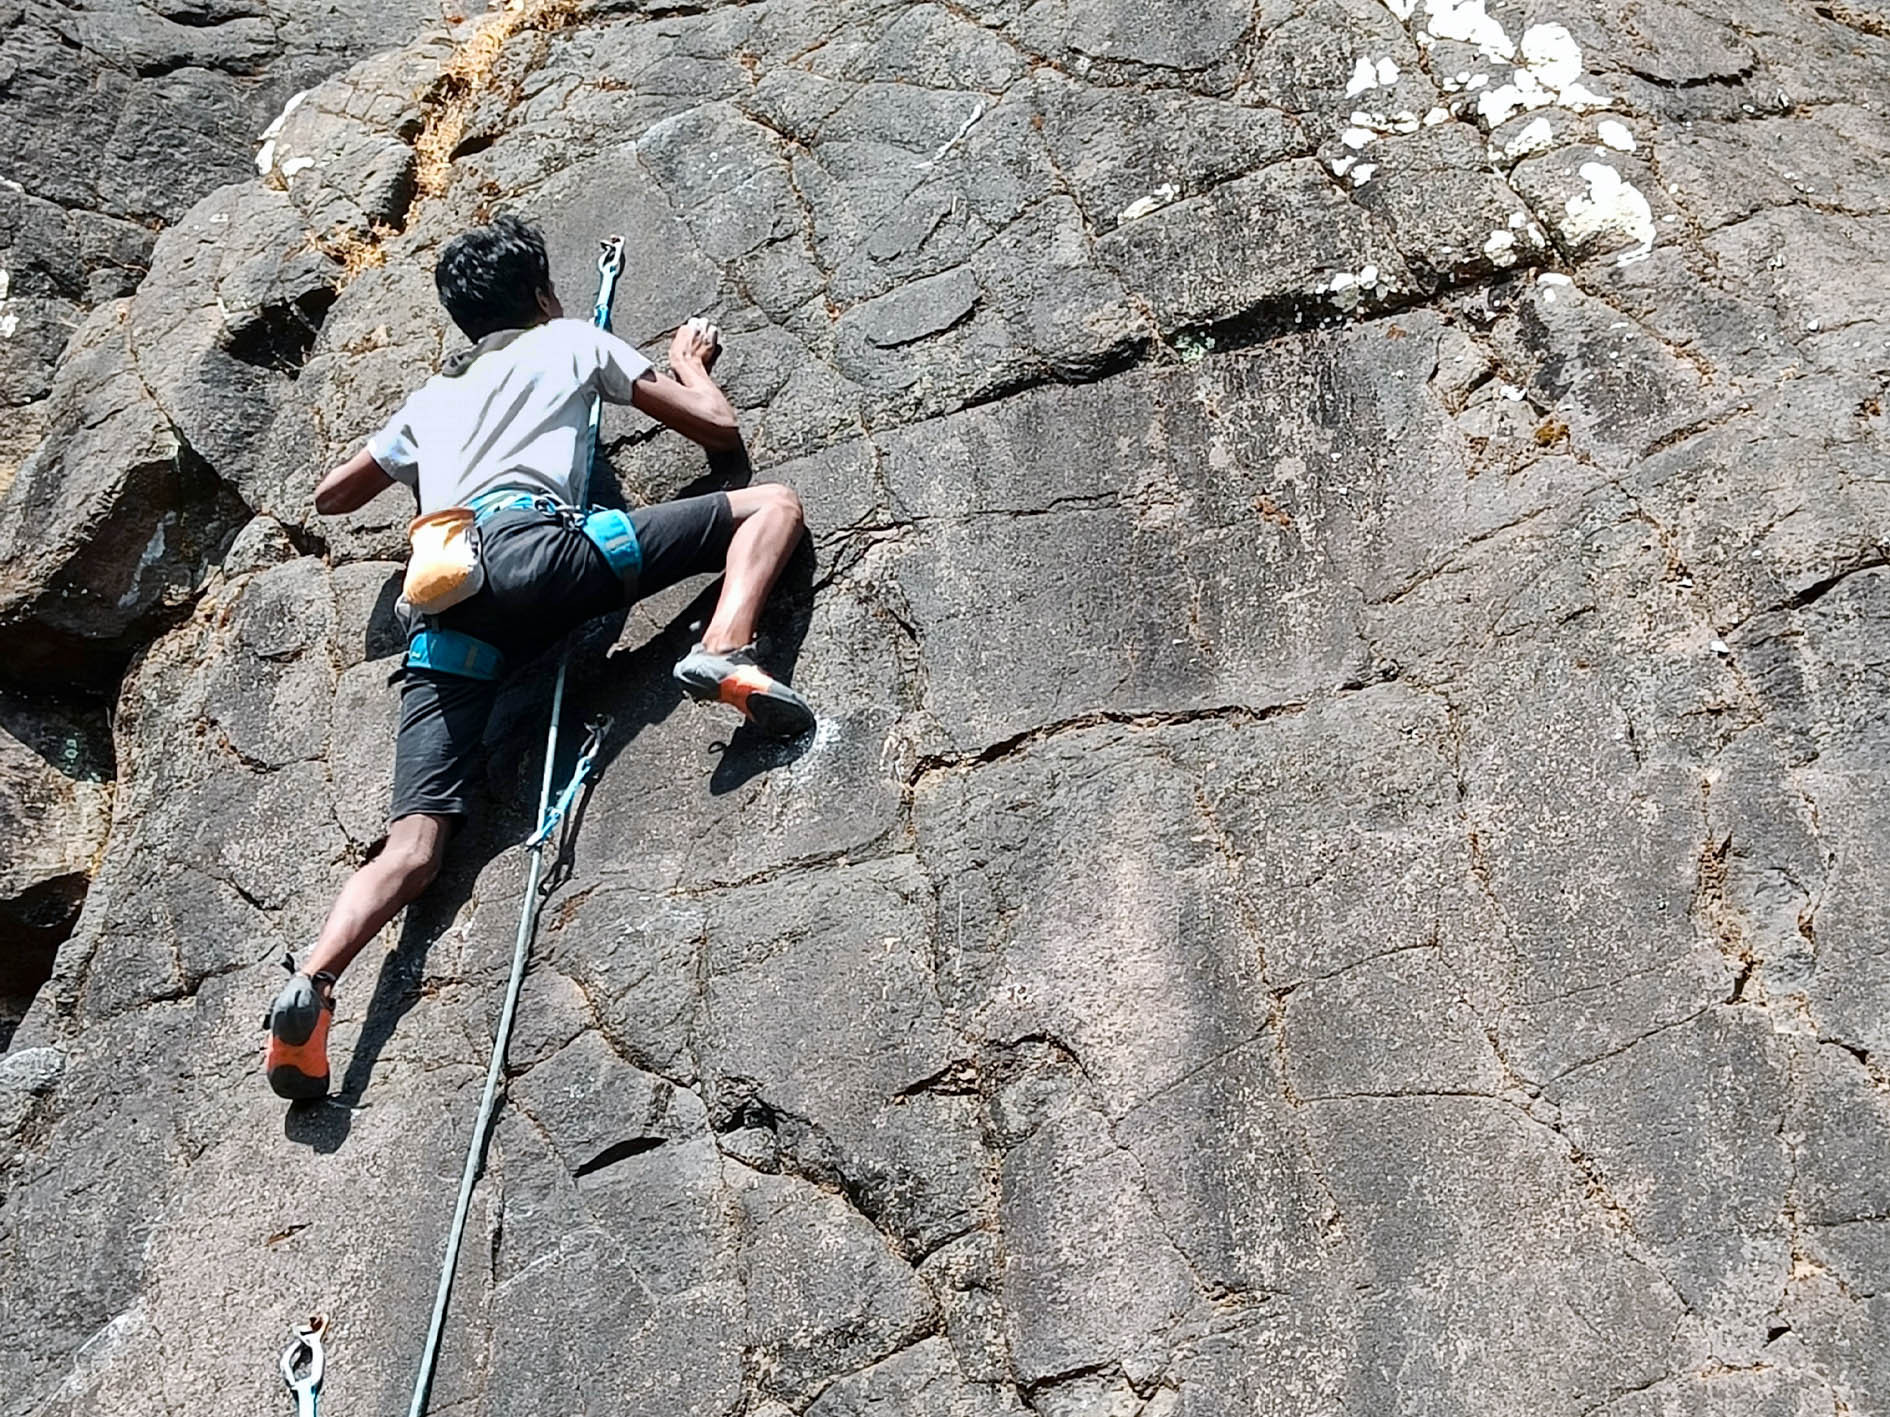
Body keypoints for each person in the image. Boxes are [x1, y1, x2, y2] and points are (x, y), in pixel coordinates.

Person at [263, 214, 813, 1100]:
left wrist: (419, 453)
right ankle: (723, 649)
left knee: (414, 846)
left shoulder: (430, 401)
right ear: (543, 294)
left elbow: (332, 495)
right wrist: (688, 363)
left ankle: (314, 984)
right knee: (770, 506)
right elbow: (715, 432)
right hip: (542, 560)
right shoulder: (571, 340)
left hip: (442, 611)